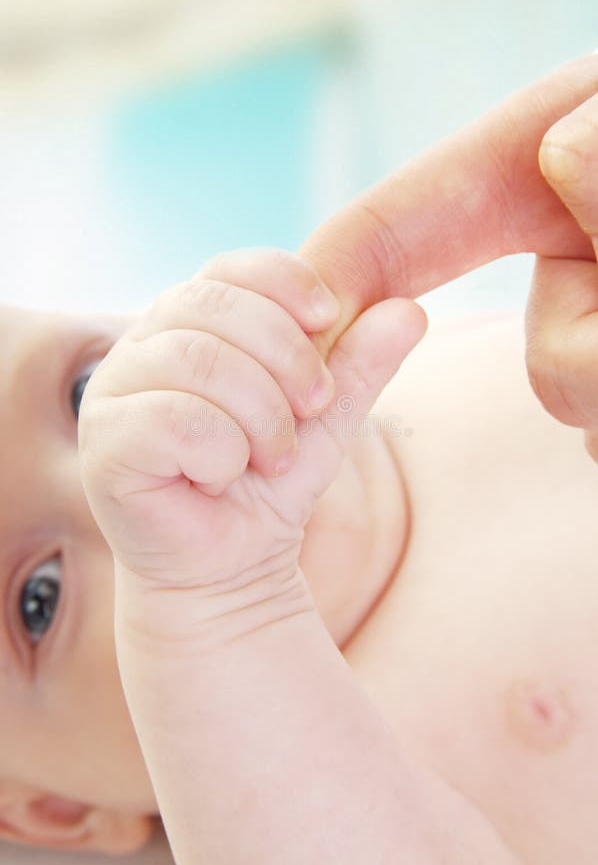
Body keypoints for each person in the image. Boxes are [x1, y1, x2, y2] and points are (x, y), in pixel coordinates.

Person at [0, 50, 595, 859]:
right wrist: (220, 601)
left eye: (86, 390)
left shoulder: (404, 353)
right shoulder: (303, 804)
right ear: (59, 812)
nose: (133, 478)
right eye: (38, 599)